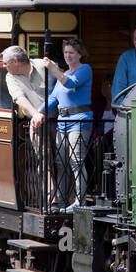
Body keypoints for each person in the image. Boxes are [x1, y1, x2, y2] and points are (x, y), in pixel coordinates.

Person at [40, 38, 93, 210]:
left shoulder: (84, 70)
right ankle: (62, 201)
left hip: (79, 120)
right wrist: (38, 113)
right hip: (62, 122)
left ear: (80, 54)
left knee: (76, 161)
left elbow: (71, 84)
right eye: (65, 53)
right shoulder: (64, 74)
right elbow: (53, 99)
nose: (68, 56)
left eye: (71, 52)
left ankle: (80, 201)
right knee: (61, 162)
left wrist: (53, 69)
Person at [2, 46, 55, 207]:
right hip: (37, 122)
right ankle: (52, 200)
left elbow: (59, 89)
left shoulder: (43, 66)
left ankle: (70, 198)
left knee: (63, 160)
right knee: (45, 161)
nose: (4, 66)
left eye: (5, 63)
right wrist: (36, 113)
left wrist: (44, 110)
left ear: (15, 61)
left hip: (58, 119)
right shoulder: (10, 77)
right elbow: (19, 99)